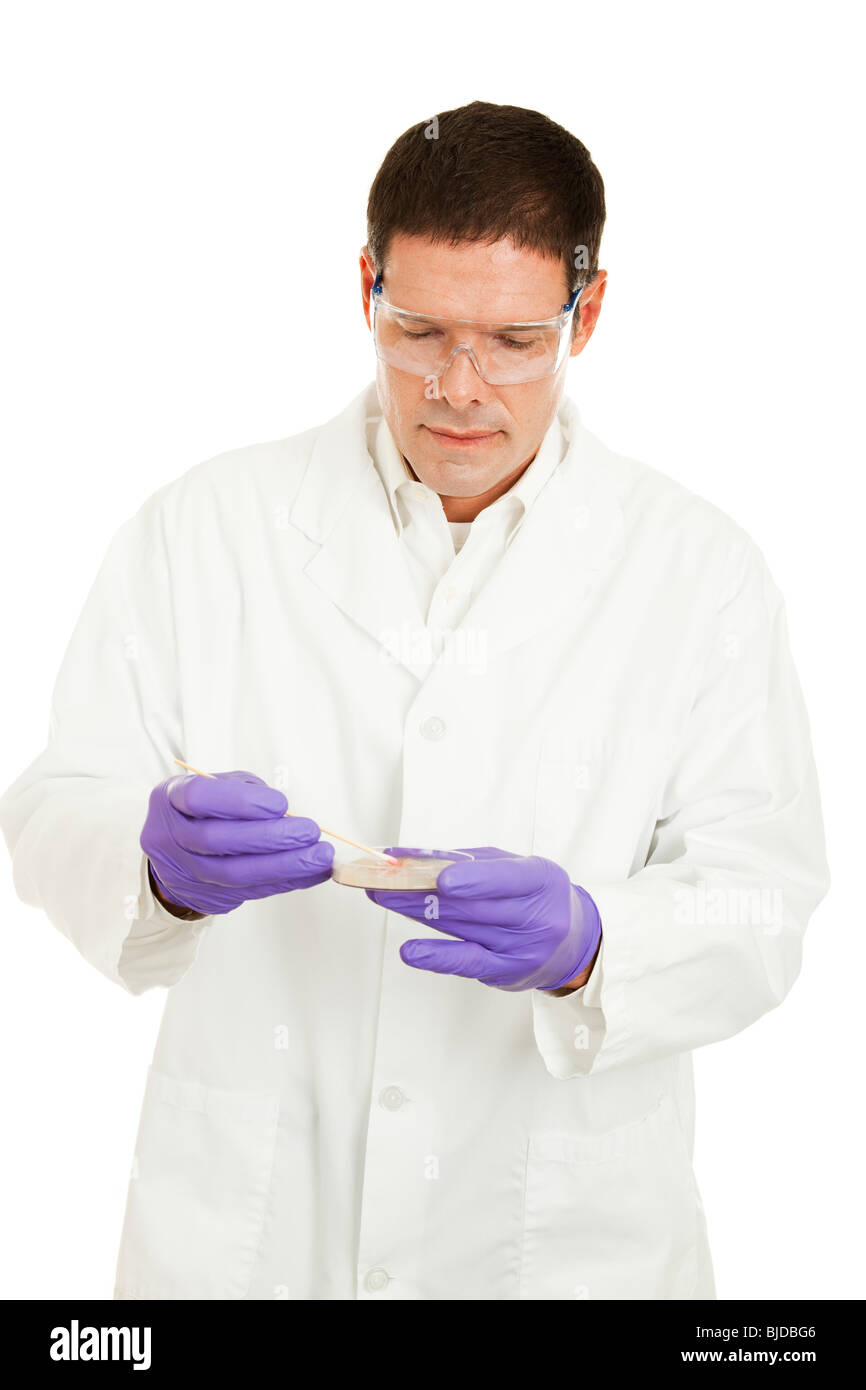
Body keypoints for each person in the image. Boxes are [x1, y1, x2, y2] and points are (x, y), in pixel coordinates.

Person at [0, 101, 829, 1301]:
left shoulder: (697, 573)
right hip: (248, 1242)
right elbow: (55, 802)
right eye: (417, 327)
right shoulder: (206, 529)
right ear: (363, 288)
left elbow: (765, 892)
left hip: (565, 1248)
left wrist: (597, 945)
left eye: (511, 340)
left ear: (586, 315)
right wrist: (156, 864)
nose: (456, 385)